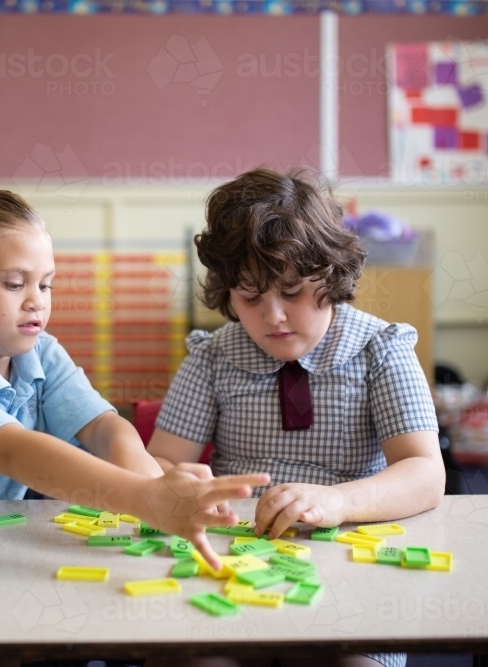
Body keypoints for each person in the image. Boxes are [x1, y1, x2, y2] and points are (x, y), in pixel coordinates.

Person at [0, 189, 268, 575]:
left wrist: (158, 488)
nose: (36, 300)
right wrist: (146, 499)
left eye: (46, 283)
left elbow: (105, 427)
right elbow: (18, 454)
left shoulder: (42, 351)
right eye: (15, 284)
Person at [146, 168, 445, 667]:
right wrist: (175, 481)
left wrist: (336, 501)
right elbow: (158, 464)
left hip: (351, 571)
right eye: (250, 297)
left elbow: (425, 473)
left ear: (330, 275)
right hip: (234, 569)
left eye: (290, 292)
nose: (273, 316)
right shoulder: (213, 357)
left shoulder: (381, 350)